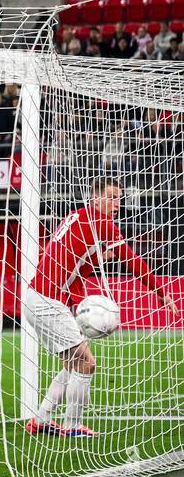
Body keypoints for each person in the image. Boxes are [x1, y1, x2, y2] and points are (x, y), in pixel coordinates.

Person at [22, 177, 177, 437]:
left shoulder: (77, 217)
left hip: (39, 297)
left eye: (119, 198)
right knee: (87, 364)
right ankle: (72, 426)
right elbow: (131, 259)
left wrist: (77, 300)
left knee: (72, 363)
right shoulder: (101, 224)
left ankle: (41, 420)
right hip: (46, 301)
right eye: (111, 197)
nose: (117, 203)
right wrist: (160, 291)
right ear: (95, 198)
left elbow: (73, 262)